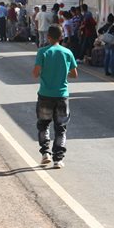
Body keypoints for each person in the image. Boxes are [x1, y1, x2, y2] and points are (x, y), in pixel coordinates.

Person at [32, 25, 78, 169]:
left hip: (45, 94)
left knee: (43, 124)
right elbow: (74, 74)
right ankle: (58, 159)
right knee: (61, 128)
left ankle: (45, 153)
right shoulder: (67, 52)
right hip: (62, 95)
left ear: (48, 37)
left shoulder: (42, 52)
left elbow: (35, 73)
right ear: (61, 37)